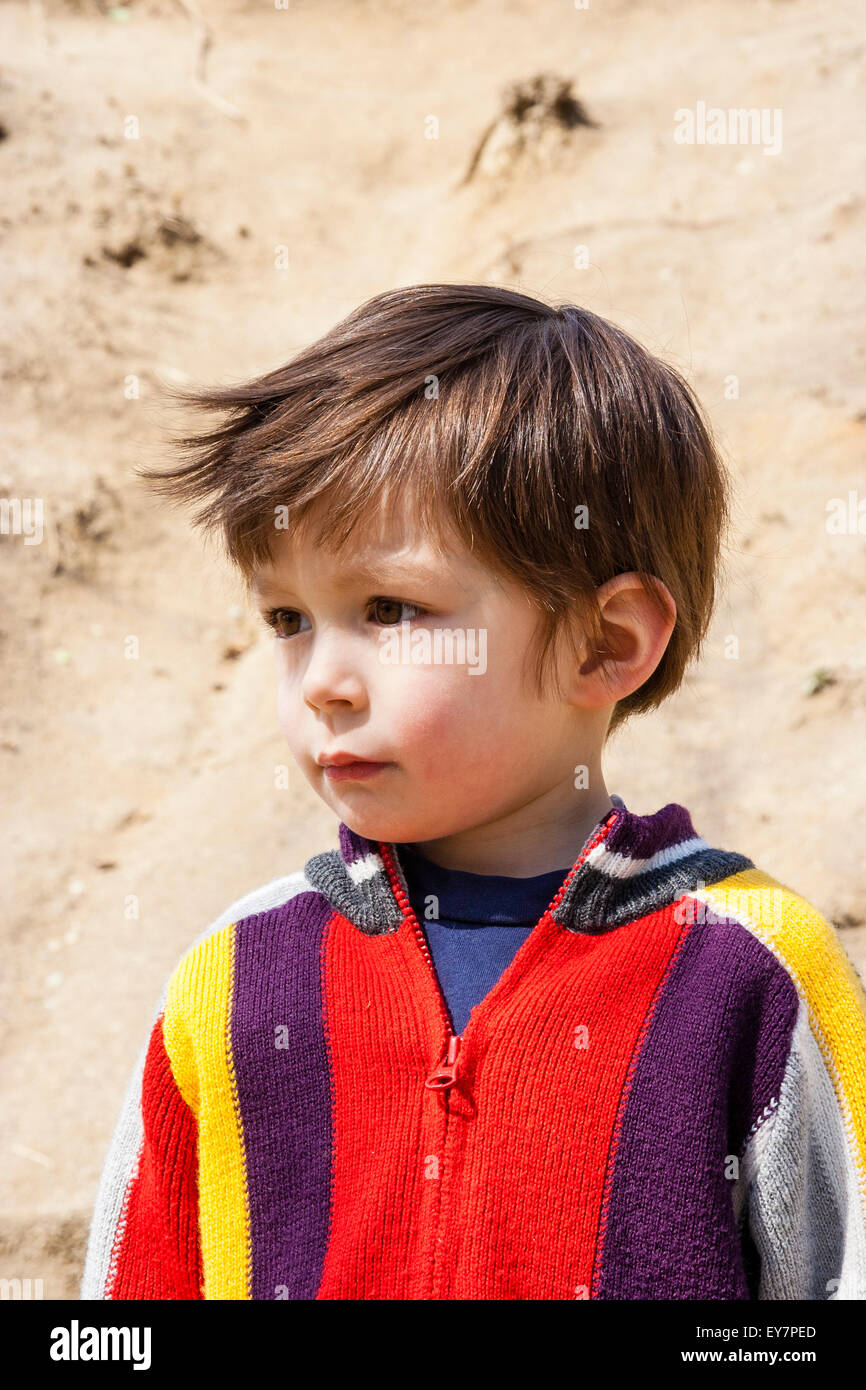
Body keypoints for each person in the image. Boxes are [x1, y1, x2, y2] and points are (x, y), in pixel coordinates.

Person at [80, 283, 866, 1300]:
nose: (321, 678)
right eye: (287, 620)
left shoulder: (744, 969)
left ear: (604, 642)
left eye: (388, 607)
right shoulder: (232, 982)